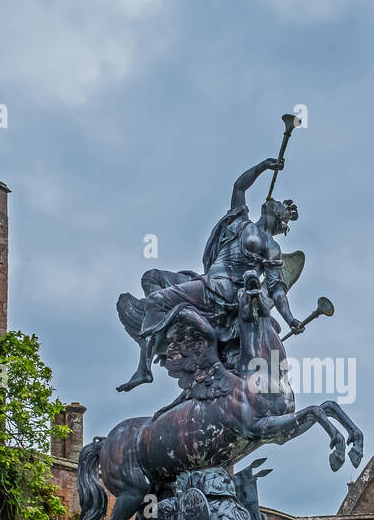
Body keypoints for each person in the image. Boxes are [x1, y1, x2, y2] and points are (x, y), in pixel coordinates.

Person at [116, 157, 306, 392]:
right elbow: (239, 186)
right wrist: (263, 167)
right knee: (151, 277)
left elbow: (277, 288)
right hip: (205, 281)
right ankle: (174, 325)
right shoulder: (240, 221)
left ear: (281, 217)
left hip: (223, 290)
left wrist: (290, 319)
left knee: (156, 300)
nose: (273, 200)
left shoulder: (270, 247)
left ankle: (144, 370)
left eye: (278, 203)